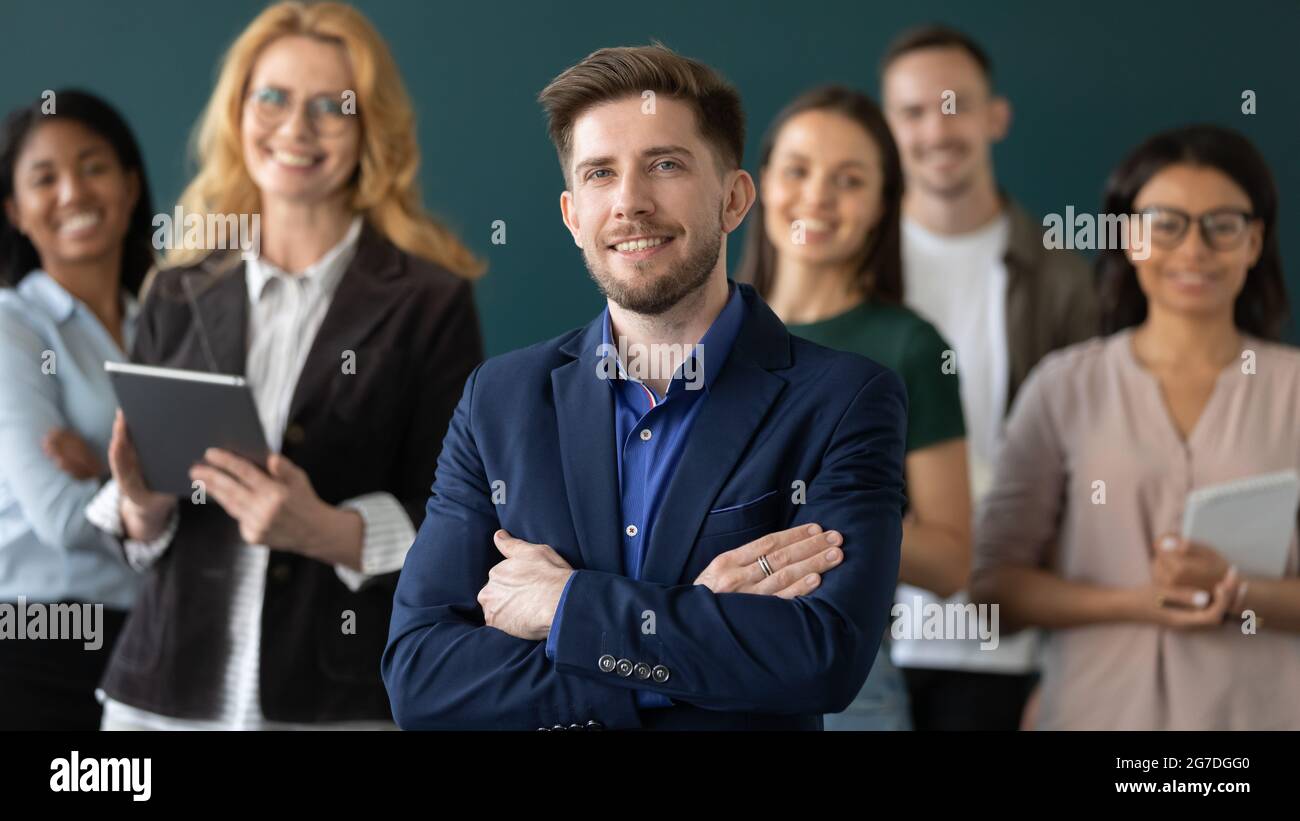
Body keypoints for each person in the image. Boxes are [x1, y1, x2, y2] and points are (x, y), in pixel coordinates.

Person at [382, 44, 907, 730]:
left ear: (734, 198)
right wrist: (684, 628)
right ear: (573, 215)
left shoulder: (844, 400)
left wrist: (566, 605)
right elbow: (421, 677)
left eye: (665, 164)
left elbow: (821, 657)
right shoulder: (499, 400)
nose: (630, 202)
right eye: (601, 173)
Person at [85, 0, 484, 729]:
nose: (296, 127)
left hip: (337, 699)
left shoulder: (430, 300)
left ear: (371, 129)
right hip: (162, 696)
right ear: (238, 111)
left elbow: (460, 520)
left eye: (332, 105)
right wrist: (140, 504)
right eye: (272, 96)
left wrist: (324, 529)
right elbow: (137, 533)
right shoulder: (178, 288)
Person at [971, 124, 1300, 730]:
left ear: (1254, 241)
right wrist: (1137, 604)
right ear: (1127, 238)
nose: (1194, 250)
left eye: (1222, 225)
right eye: (1166, 224)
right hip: (1099, 714)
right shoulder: (1064, 386)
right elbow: (995, 591)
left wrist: (1237, 592)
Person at [879, 24, 1098, 730]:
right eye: (912, 112)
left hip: (1007, 643)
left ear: (994, 116)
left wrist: (1064, 662)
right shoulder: (847, 267)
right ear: (887, 127)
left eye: (954, 105)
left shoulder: (1063, 277)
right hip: (862, 635)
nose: (936, 130)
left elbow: (1095, 475)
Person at [737, 85, 969, 730]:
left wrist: (818, 519)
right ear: (753, 187)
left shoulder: (908, 346)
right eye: (798, 171)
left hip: (846, 681)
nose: (817, 197)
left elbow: (952, 560)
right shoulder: (700, 331)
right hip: (699, 659)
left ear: (882, 206)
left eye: (850, 180)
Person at [0, 90, 156, 729]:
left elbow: (217, 499)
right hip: (37, 642)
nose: (73, 193)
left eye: (93, 167)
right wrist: (136, 490)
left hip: (149, 639)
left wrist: (102, 478)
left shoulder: (167, 326)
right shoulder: (12, 326)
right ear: (14, 210)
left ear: (129, 186)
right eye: (45, 178)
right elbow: (62, 518)